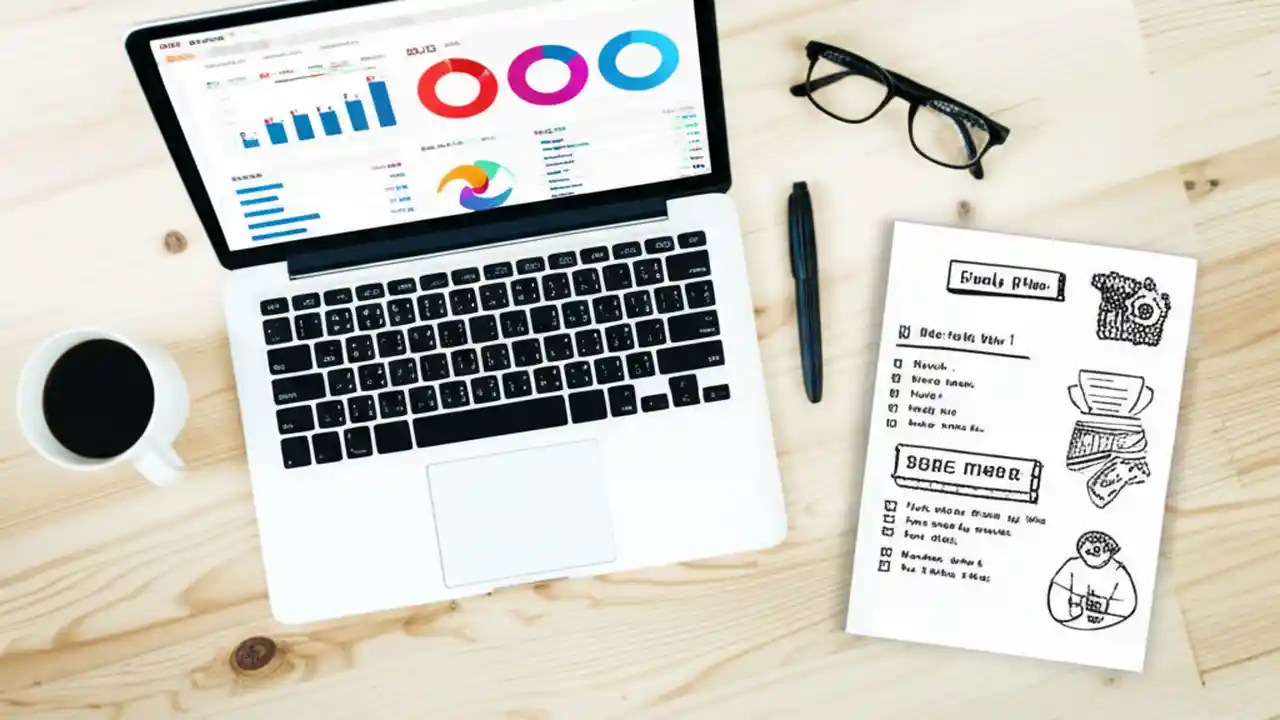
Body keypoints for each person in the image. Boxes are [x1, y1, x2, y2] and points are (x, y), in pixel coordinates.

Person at [1046, 530, 1137, 630]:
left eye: (1097, 548)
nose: (1091, 551)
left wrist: (1101, 605)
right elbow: (1057, 592)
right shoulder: (1072, 565)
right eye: (1086, 546)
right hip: (1070, 624)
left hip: (1109, 626)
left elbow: (1127, 605)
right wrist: (1068, 612)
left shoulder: (1118, 571)